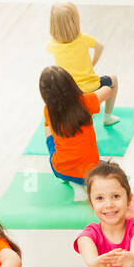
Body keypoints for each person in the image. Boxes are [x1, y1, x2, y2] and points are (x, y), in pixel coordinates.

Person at [39, 65, 115, 200]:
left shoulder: (48, 111)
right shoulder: (85, 102)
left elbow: (49, 131)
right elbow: (108, 89)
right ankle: (80, 182)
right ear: (71, 84)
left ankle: (74, 182)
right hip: (90, 171)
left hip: (60, 169)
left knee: (48, 131)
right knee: (100, 167)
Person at [47, 1, 118, 124]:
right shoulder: (83, 39)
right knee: (114, 80)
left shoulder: (52, 45)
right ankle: (107, 117)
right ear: (75, 22)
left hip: (70, 92)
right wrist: (92, 63)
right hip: (91, 88)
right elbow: (100, 47)